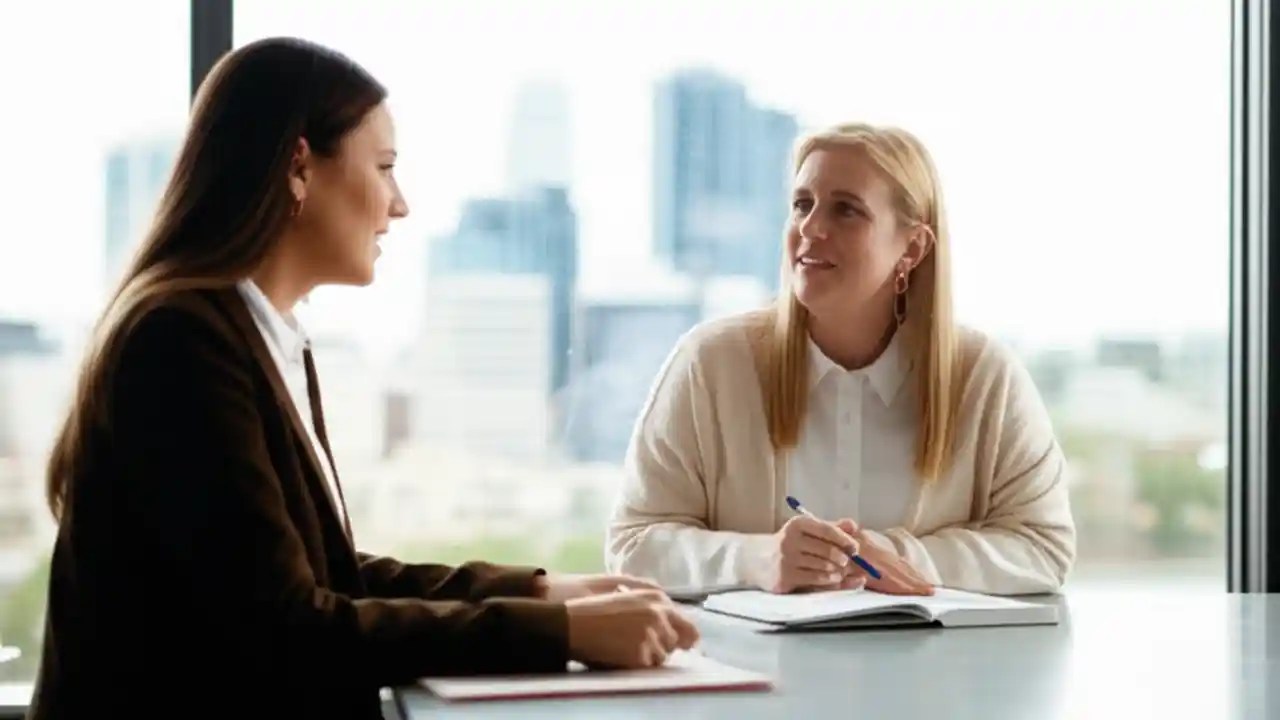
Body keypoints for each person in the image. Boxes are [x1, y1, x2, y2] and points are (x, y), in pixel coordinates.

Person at [29, 37, 696, 720]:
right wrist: (559, 634)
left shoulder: (265, 335)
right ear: (298, 167)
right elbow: (284, 625)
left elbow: (325, 575)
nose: (399, 204)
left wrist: (545, 593)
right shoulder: (179, 343)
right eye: (384, 168)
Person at [605, 122, 1076, 598]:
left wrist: (895, 557)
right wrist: (758, 558)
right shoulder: (710, 364)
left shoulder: (985, 376)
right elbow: (634, 546)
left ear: (912, 248)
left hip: (930, 670)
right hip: (753, 668)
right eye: (801, 205)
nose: (810, 228)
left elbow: (1043, 547)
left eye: (846, 210)